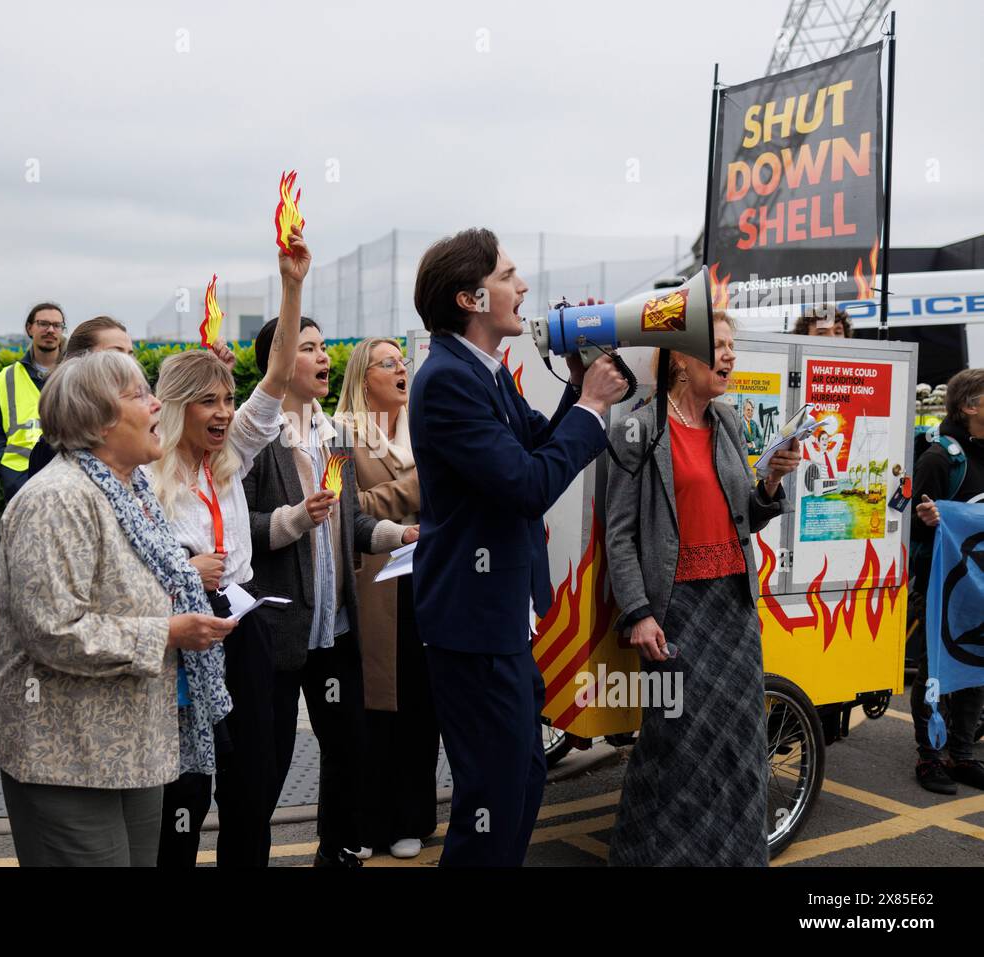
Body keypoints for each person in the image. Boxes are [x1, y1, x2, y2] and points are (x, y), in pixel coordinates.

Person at [409, 227, 626, 867]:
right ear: (470, 298)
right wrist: (589, 407)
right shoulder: (448, 381)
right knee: (492, 804)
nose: (522, 286)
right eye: (507, 276)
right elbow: (528, 485)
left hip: (496, 619)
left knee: (521, 782)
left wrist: (579, 384)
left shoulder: (483, 374)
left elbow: (536, 443)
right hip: (473, 628)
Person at [0, 350, 235, 866]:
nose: (155, 405)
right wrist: (168, 633)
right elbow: (54, 630)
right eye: (140, 395)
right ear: (97, 420)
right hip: (67, 757)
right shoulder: (57, 499)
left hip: (132, 748)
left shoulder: (134, 489)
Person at [604, 312, 801, 867]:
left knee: (739, 747)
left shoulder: (729, 423)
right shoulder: (637, 428)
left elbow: (746, 516)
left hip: (733, 609)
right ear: (682, 361)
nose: (730, 355)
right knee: (674, 745)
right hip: (676, 613)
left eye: (732, 345)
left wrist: (771, 482)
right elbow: (618, 534)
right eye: (718, 346)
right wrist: (638, 612)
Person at [150, 226, 308, 868]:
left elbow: (274, 377)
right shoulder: (143, 474)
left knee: (253, 774)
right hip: (184, 631)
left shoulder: (232, 455)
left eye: (224, 399)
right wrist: (186, 568)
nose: (221, 412)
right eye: (206, 402)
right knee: (186, 783)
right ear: (175, 407)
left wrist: (292, 286)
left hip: (243, 623)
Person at [245, 314, 417, 867]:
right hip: (278, 632)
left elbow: (349, 525)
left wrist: (399, 534)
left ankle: (336, 854)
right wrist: (293, 519)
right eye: (309, 348)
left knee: (347, 749)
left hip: (337, 629)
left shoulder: (335, 435)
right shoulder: (257, 439)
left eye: (323, 348)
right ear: (277, 363)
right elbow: (234, 522)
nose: (324, 357)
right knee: (266, 766)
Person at [333, 336, 438, 860]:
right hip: (375, 585)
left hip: (427, 580)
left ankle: (413, 816)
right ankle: (372, 822)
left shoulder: (422, 427)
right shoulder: (341, 432)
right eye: (388, 362)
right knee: (376, 707)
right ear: (364, 376)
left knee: (421, 704)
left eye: (404, 361)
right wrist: (418, 486)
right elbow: (342, 506)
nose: (401, 369)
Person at [907, 368, 984, 794]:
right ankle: (929, 757)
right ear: (970, 406)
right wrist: (929, 521)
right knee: (935, 669)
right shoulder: (940, 459)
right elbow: (908, 523)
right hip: (942, 585)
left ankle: (962, 754)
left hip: (980, 586)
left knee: (977, 664)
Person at [27, 315, 135, 479]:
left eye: (130, 355)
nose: (128, 364)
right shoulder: (56, 446)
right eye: (116, 355)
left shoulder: (137, 429)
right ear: (78, 361)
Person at [0, 302, 65, 501]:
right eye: (43, 323)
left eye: (57, 325)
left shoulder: (75, 373)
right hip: (18, 479)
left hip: (65, 475)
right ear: (29, 328)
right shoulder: (7, 376)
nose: (50, 330)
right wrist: (2, 466)